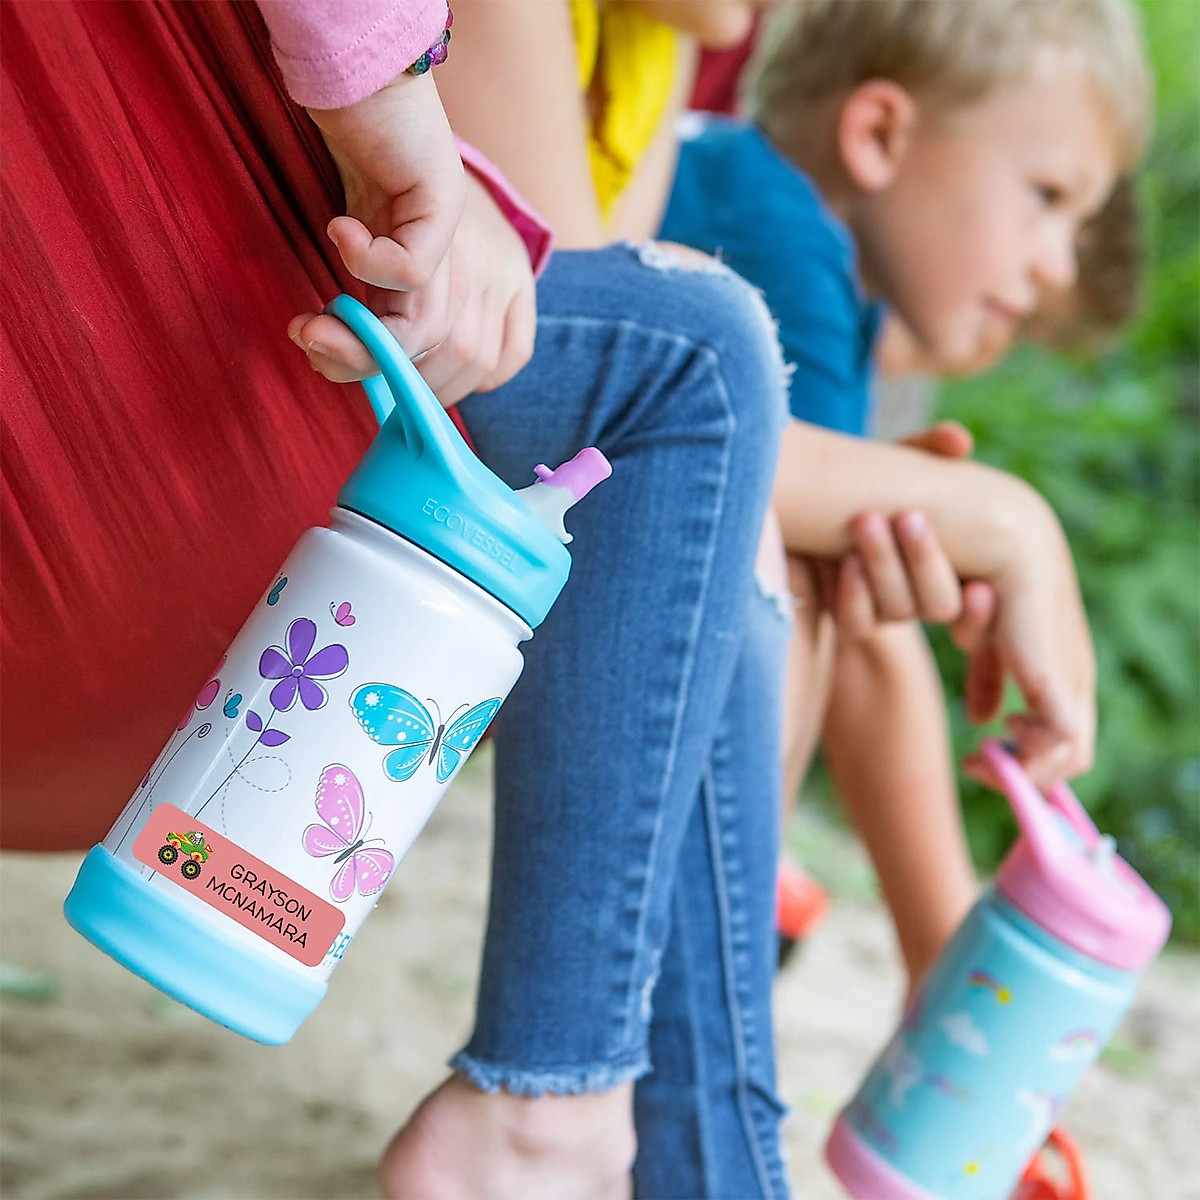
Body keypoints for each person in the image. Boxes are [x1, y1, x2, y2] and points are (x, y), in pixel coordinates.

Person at [658, 0, 1150, 995]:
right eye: (1048, 197)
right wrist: (947, 961)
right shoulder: (788, 249)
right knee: (802, 580)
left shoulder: (765, 207)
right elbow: (850, 624)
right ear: (879, 134)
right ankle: (706, 971)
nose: (1058, 264)